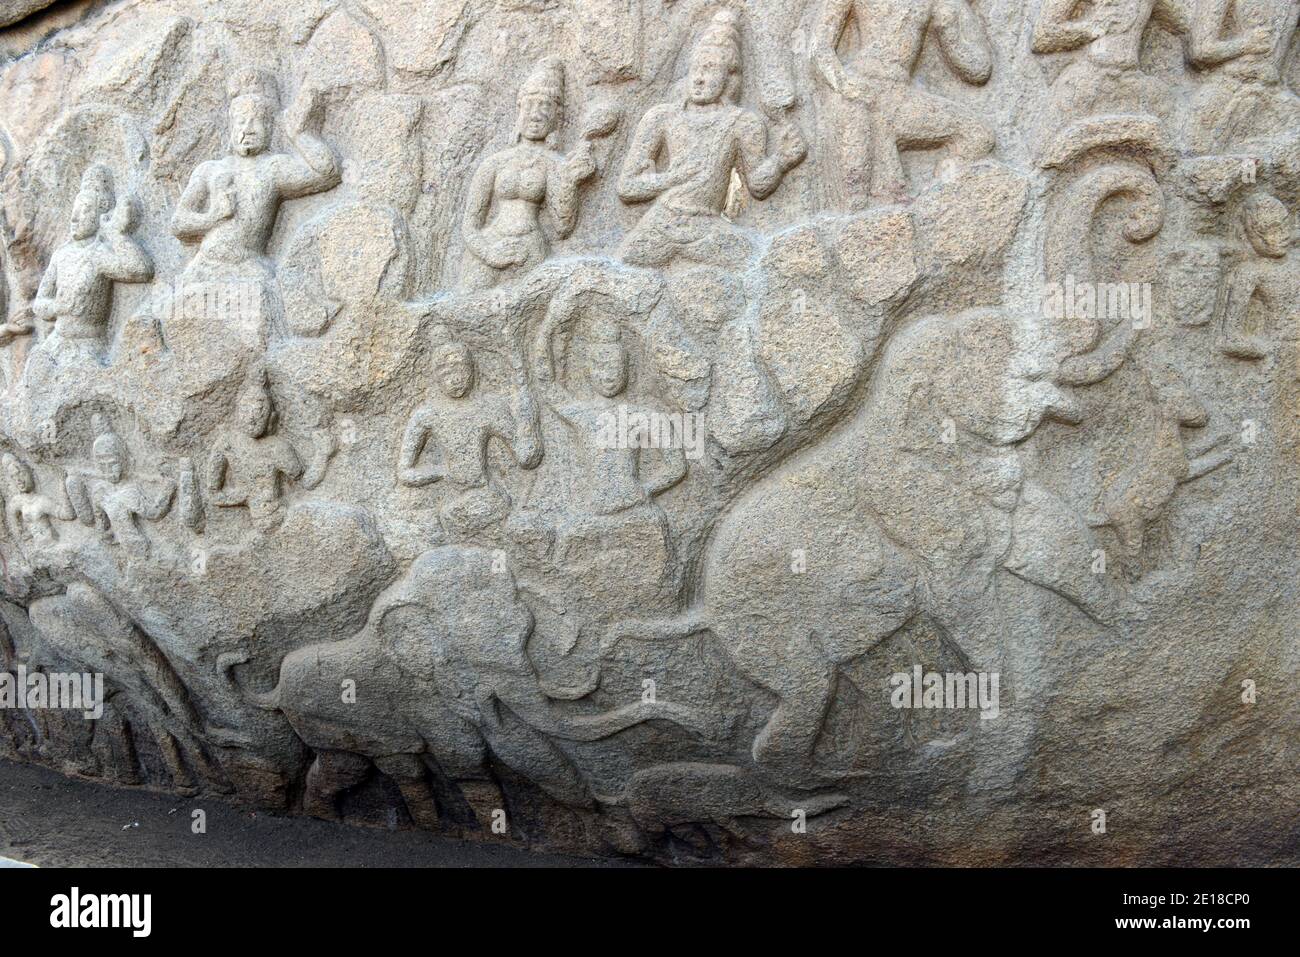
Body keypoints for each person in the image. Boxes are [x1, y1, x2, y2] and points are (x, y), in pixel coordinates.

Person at [618, 10, 806, 267]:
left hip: (707, 228)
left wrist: (782, 160)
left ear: (729, 76)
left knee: (757, 264)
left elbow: (758, 185)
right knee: (624, 270)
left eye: (710, 69)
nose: (699, 77)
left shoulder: (743, 122)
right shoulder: (662, 117)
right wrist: (669, 179)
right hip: (661, 222)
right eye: (695, 68)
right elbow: (627, 187)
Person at [811, 0, 993, 206]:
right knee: (864, 186)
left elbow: (979, 70)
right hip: (861, 90)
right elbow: (819, 48)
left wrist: (948, 27)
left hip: (900, 95)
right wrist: (847, 85)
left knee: (978, 135)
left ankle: (935, 201)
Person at [459, 57, 597, 290]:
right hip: (491, 245)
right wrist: (490, 253)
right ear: (519, 109)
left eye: (545, 106)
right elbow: (470, 224)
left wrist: (570, 183)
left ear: (557, 117)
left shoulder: (554, 165)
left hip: (530, 248)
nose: (536, 114)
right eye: (530, 104)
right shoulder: (495, 162)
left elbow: (563, 227)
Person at [397, 333, 543, 535]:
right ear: (436, 376)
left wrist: (527, 420)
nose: (455, 378)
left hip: (489, 498)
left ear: (473, 370)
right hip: (452, 505)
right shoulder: (426, 416)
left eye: (460, 368)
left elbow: (526, 458)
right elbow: (405, 473)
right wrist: (441, 472)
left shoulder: (489, 409)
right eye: (445, 371)